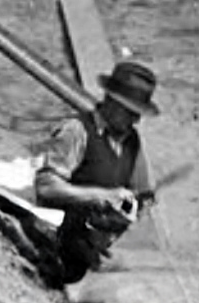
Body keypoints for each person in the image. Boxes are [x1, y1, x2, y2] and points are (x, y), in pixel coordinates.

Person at [32, 60, 161, 287]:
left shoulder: (131, 141)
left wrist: (132, 208)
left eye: (138, 114)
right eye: (130, 113)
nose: (136, 120)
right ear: (110, 101)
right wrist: (100, 196)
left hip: (96, 248)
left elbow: (142, 194)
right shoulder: (77, 131)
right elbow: (46, 187)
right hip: (56, 243)